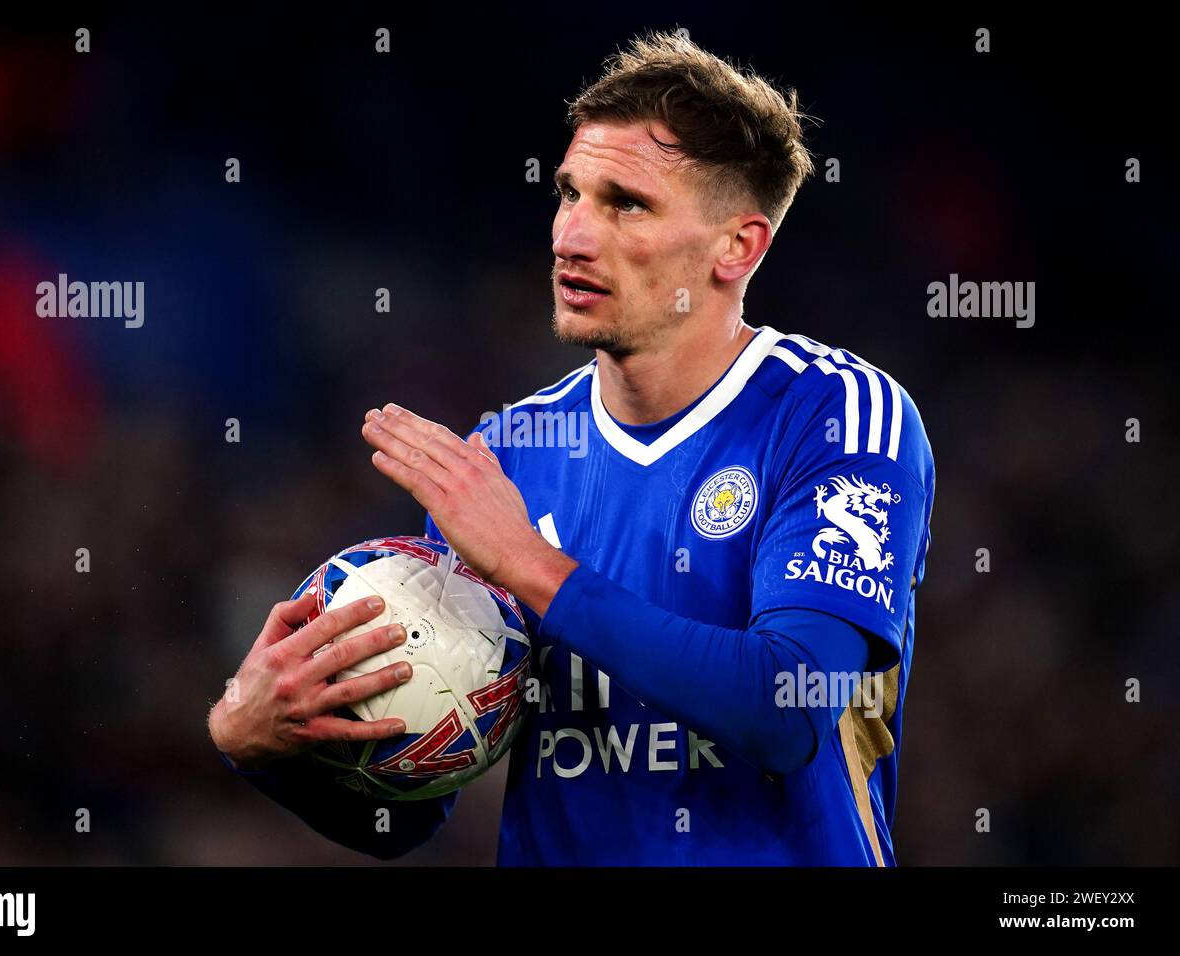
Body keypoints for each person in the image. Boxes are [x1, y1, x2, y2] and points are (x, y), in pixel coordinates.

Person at [209, 30, 934, 865]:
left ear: (739, 245)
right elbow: (412, 809)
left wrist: (530, 566)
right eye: (568, 194)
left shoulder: (836, 412)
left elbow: (785, 710)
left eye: (626, 203)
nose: (571, 235)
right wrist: (259, 737)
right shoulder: (511, 452)